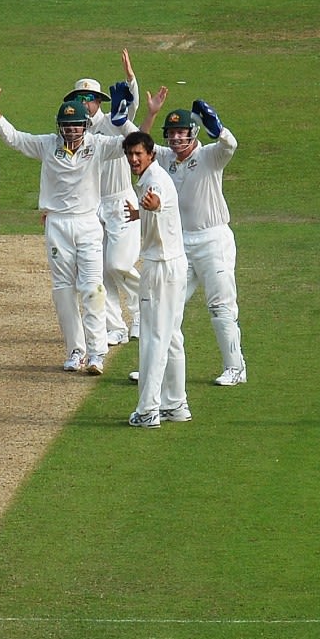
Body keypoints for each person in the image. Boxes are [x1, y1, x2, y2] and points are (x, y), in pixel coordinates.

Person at [0, 81, 129, 375]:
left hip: (88, 224)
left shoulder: (98, 145)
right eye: (66, 127)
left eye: (76, 127)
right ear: (60, 127)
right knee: (63, 291)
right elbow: (15, 139)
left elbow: (133, 145)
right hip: (57, 225)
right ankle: (75, 351)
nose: (71, 132)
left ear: (85, 126)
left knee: (92, 289)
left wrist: (123, 120)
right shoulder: (47, 145)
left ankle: (97, 354)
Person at [139, 89, 247, 386]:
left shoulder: (210, 155)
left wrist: (218, 128)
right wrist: (150, 114)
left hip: (214, 240)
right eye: (171, 134)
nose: (175, 139)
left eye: (180, 133)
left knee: (220, 305)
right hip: (180, 244)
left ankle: (235, 368)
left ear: (193, 133)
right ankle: (156, 368)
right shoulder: (164, 159)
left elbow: (230, 145)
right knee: (168, 306)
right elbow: (139, 144)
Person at [66, 55, 142, 346]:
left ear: (99, 101)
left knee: (118, 264)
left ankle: (142, 314)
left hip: (121, 201)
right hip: (94, 206)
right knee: (100, 270)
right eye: (80, 98)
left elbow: (130, 109)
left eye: (90, 98)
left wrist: (131, 79)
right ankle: (116, 326)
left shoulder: (113, 121)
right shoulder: (73, 132)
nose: (85, 103)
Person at [122, 133, 190, 427]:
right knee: (172, 335)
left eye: (139, 154)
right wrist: (141, 212)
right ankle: (175, 404)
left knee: (153, 338)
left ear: (151, 154)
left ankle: (148, 410)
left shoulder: (155, 182)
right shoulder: (155, 176)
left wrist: (152, 206)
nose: (134, 159)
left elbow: (159, 200)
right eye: (130, 154)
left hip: (160, 268)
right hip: (174, 264)